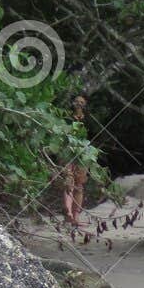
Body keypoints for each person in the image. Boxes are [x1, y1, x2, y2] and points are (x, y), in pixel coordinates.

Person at [62, 93, 88, 226]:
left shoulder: (88, 120)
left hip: (83, 154)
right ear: (72, 103)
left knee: (79, 185)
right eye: (77, 101)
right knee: (69, 182)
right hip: (68, 153)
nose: (79, 104)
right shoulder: (67, 118)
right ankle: (68, 213)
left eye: (82, 102)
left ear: (85, 105)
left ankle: (76, 215)